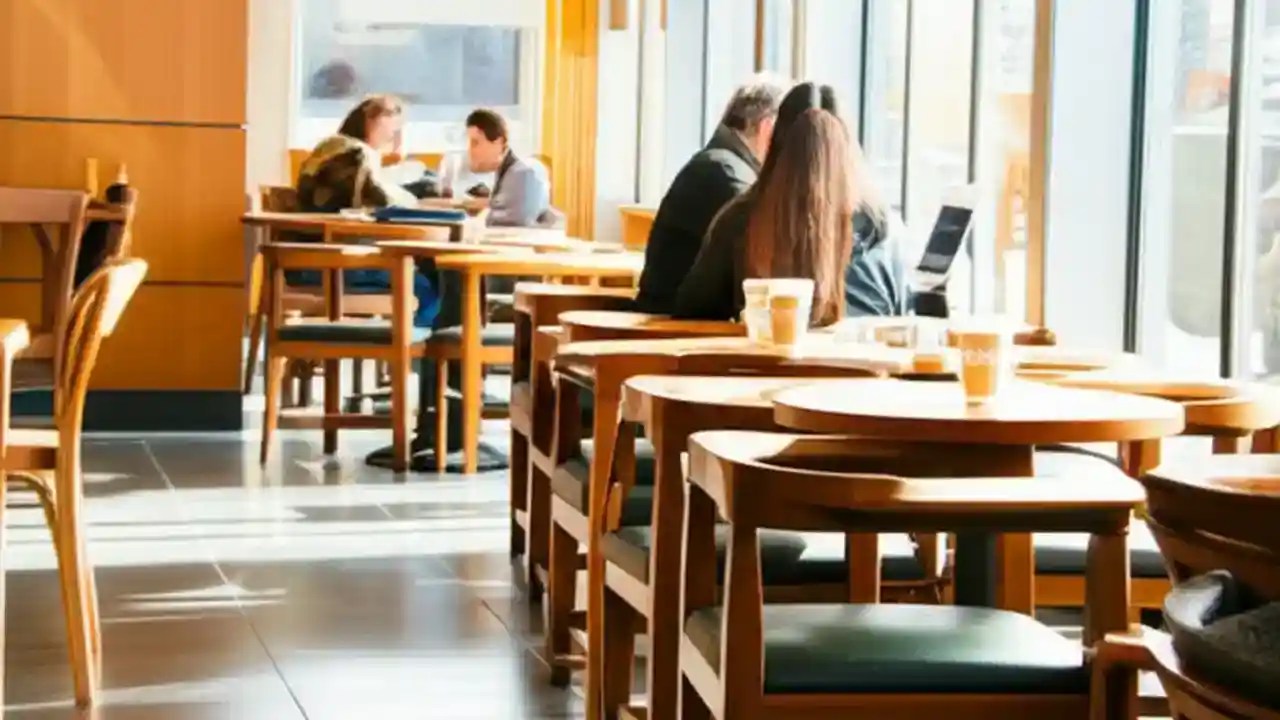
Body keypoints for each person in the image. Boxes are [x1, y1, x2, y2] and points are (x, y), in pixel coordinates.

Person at [672, 82, 909, 322]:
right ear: (849, 149)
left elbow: (693, 314)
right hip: (862, 360)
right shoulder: (883, 231)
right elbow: (905, 321)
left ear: (775, 145)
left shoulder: (738, 221)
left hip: (756, 359)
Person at [633, 75, 789, 313]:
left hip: (672, 324)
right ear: (767, 129)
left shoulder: (720, 164)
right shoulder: (727, 175)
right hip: (672, 332)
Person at [293, 95, 442, 328]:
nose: (394, 135)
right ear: (374, 120)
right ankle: (410, 355)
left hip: (306, 260)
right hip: (330, 264)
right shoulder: (355, 154)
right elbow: (380, 200)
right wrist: (417, 197)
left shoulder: (332, 148)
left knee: (423, 272)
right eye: (393, 127)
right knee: (428, 286)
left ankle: (408, 355)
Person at [464, 109, 559, 227]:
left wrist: (473, 220)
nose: (470, 151)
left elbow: (517, 220)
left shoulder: (525, 173)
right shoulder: (508, 171)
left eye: (475, 143)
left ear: (498, 142)